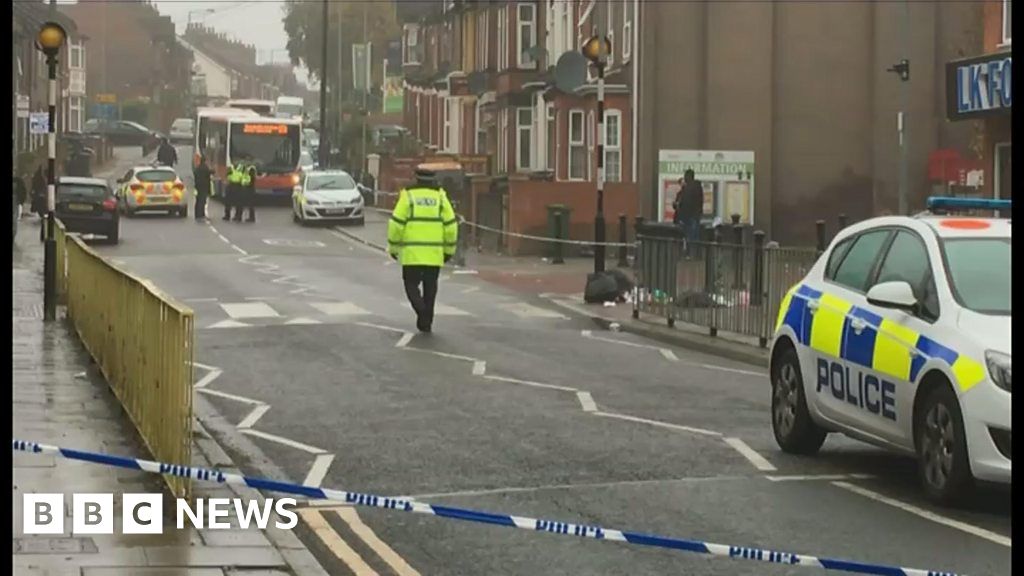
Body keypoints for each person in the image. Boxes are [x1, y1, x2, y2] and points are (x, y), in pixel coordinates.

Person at [387, 167, 459, 333]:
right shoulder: (441, 197)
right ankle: (426, 321)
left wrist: (393, 247)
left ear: (416, 178)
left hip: (412, 254)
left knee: (411, 284)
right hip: (434, 254)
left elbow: (396, 224)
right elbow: (451, 226)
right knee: (430, 287)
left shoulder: (409, 196)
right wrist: (449, 250)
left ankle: (421, 311)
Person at [673, 169, 703, 253]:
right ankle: (694, 254)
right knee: (693, 236)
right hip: (694, 216)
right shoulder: (697, 187)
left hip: (688, 216)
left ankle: (690, 254)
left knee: (690, 236)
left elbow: (687, 203)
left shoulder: (689, 188)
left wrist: (679, 207)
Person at [193, 155, 212, 222]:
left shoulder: (198, 168)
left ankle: (197, 214)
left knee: (198, 200)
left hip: (198, 186)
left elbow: (195, 174)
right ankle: (201, 215)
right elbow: (208, 173)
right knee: (202, 201)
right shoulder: (205, 167)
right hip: (204, 186)